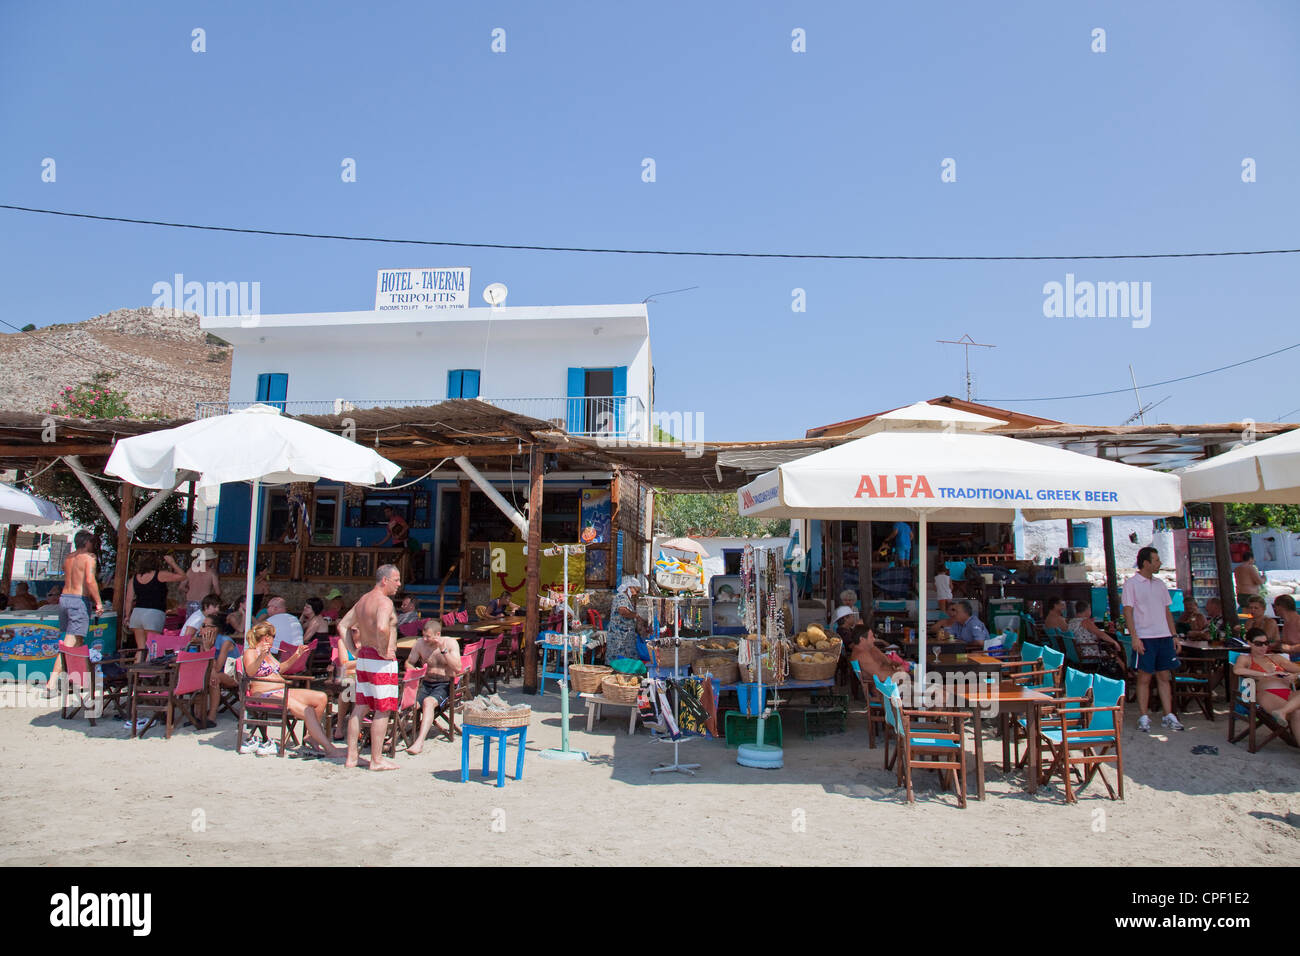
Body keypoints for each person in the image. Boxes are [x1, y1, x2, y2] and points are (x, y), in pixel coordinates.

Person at [337, 564, 403, 771]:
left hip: (364, 656)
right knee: (383, 709)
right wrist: (383, 649)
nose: (399, 584)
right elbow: (383, 627)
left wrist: (353, 649)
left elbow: (342, 625)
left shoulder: (363, 600)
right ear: (385, 580)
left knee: (360, 706)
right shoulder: (384, 602)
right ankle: (376, 759)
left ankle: (352, 757)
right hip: (380, 659)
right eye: (396, 580)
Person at [241, 621, 341, 757]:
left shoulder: (269, 654)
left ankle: (312, 736)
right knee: (307, 710)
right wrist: (261, 656)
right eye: (272, 637)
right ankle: (329, 748)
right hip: (264, 693)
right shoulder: (251, 652)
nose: (273, 640)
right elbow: (251, 672)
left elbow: (280, 669)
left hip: (281, 690)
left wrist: (296, 655)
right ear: (266, 637)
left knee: (321, 697)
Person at [1123, 546, 1183, 732]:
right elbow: (1128, 611)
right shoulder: (1131, 584)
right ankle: (1143, 716)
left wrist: (1174, 635)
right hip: (1145, 637)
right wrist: (1135, 637)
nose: (1160, 563)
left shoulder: (1160, 584)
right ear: (1146, 563)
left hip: (1163, 636)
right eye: (1156, 560)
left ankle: (1168, 714)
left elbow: (1167, 611)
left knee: (1165, 676)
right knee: (1144, 678)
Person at [46, 531, 102, 695]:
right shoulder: (89, 557)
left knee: (78, 640)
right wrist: (98, 602)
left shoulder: (69, 557)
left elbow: (67, 574)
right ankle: (52, 682)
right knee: (70, 642)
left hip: (64, 598)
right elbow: (90, 581)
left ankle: (78, 679)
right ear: (87, 542)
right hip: (78, 599)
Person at [404, 619, 463, 755]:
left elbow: (458, 667)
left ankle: (419, 742)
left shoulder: (450, 643)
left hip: (445, 684)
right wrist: (415, 669)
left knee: (428, 702)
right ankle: (394, 736)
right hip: (425, 683)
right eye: (423, 635)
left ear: (438, 634)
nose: (424, 639)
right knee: (409, 704)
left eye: (428, 636)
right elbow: (408, 663)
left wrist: (444, 651)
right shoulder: (420, 644)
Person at [1233, 627, 1300, 742]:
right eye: (1258, 644)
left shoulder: (1276, 658)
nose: (1263, 647)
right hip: (1267, 694)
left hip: (1288, 694)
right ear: (1249, 643)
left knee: (1296, 711)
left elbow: (1298, 669)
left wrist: (1295, 676)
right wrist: (1266, 675)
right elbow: (1237, 670)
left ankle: (1282, 711)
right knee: (1297, 713)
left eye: (1266, 643)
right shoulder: (1246, 658)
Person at [123, 553, 186, 650]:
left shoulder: (134, 579)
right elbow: (182, 576)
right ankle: (149, 664)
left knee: (140, 648)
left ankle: (138, 664)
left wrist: (127, 616)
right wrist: (172, 563)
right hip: (153, 613)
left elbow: (128, 600)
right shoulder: (160, 575)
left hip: (137, 613)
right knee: (153, 648)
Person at [1066, 602, 1126, 679]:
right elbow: (1101, 634)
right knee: (1113, 650)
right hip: (1087, 651)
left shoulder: (1071, 621)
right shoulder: (1085, 621)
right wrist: (1114, 642)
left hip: (1076, 651)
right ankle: (1125, 673)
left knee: (1108, 648)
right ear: (1087, 610)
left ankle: (1125, 672)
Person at [605, 575, 647, 662]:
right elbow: (623, 611)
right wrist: (636, 615)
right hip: (619, 636)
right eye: (635, 590)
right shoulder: (621, 597)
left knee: (626, 660)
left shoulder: (627, 598)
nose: (636, 593)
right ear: (629, 587)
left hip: (625, 636)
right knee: (618, 660)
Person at [179, 548, 220, 619]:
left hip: (190, 603)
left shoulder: (190, 570)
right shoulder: (212, 572)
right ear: (210, 560)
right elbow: (218, 592)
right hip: (203, 603)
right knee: (201, 626)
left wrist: (190, 591)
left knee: (190, 624)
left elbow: (181, 587)